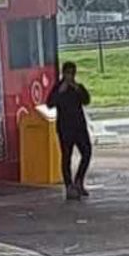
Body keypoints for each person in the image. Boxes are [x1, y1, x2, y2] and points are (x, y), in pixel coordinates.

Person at [47, 61, 92, 200]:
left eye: (72, 74)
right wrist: (60, 91)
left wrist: (77, 88)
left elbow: (86, 100)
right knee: (66, 157)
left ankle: (79, 180)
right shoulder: (58, 88)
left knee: (87, 152)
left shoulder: (77, 87)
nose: (70, 76)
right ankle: (69, 186)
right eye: (67, 73)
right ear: (63, 73)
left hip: (79, 127)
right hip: (65, 129)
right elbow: (50, 104)